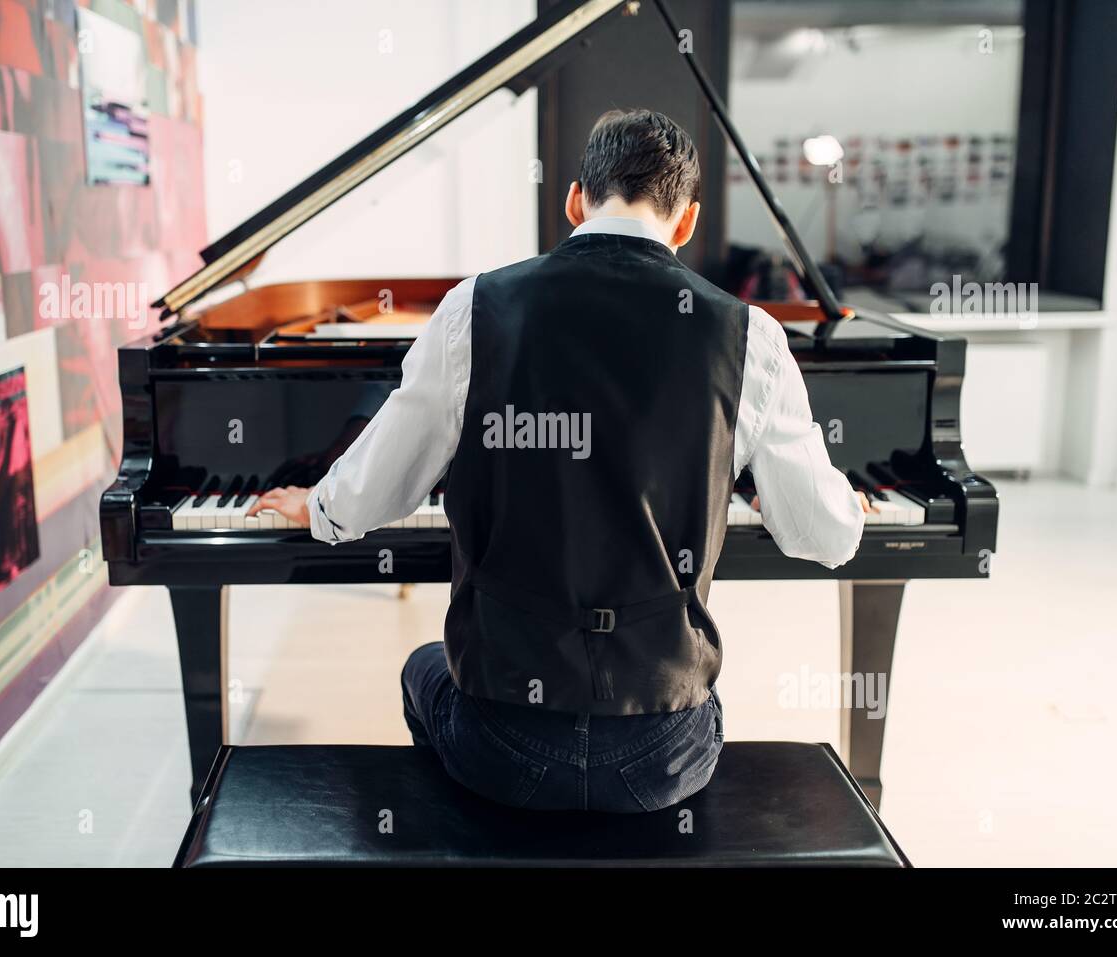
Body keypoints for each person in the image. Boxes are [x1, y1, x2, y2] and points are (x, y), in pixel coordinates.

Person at [250, 109, 866, 812]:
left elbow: (372, 489)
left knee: (423, 669)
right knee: (704, 696)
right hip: (662, 753)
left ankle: (492, 840)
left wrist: (320, 506)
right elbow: (826, 536)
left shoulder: (474, 310)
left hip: (501, 741)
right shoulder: (747, 334)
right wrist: (795, 490)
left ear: (575, 200)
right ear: (688, 221)